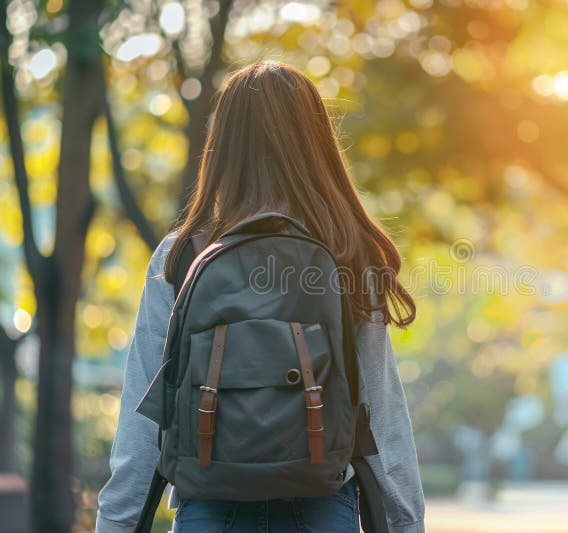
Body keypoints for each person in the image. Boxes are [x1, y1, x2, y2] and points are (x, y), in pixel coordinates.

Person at [95, 61, 425, 533]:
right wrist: (406, 523)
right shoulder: (347, 252)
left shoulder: (182, 256)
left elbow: (144, 418)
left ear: (222, 144)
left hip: (210, 509)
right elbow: (382, 412)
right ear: (317, 145)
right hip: (321, 508)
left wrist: (117, 524)